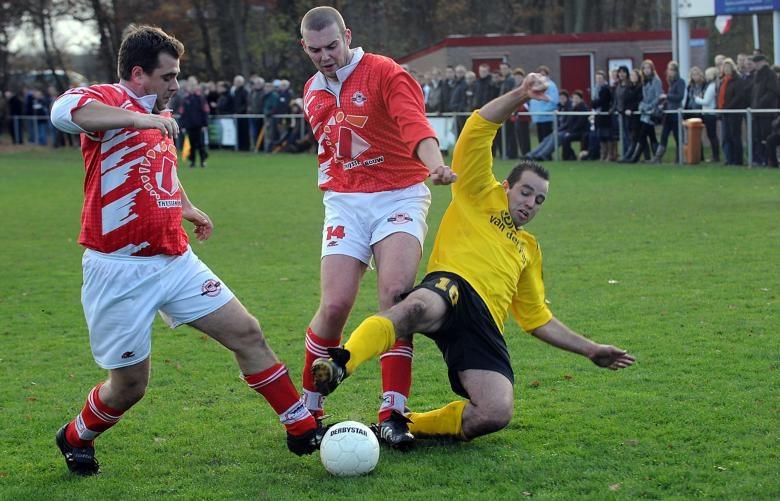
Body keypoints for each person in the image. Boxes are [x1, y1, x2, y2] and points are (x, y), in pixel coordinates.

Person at [49, 24, 326, 477]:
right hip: (118, 270)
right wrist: (141, 118)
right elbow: (62, 111)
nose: (176, 86)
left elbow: (157, 175)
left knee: (247, 332)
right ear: (138, 74)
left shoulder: (160, 116)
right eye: (168, 77)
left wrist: (188, 207)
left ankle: (300, 424)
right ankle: (77, 434)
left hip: (174, 260)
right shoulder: (111, 101)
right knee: (130, 386)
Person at [310, 72, 635, 448]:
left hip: (484, 328)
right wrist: (520, 94)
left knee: (495, 412)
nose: (530, 203)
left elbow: (537, 319)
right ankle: (340, 363)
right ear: (506, 186)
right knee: (412, 306)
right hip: (452, 289)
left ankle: (405, 423)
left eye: (539, 200)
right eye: (526, 192)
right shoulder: (478, 190)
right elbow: (479, 127)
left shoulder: (529, 249)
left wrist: (591, 349)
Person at [298, 6, 456, 442]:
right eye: (316, 50)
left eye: (333, 45)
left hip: (400, 193)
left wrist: (436, 165)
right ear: (305, 48)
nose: (326, 56)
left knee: (394, 295)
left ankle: (392, 414)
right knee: (333, 307)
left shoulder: (385, 72)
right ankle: (308, 411)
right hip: (345, 202)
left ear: (347, 35)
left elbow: (415, 126)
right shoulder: (311, 90)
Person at [651, 61, 685, 163]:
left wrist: (667, 96)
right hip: (668, 113)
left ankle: (679, 158)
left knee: (678, 136)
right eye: (669, 69)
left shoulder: (680, 82)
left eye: (672, 70)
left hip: (675, 113)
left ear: (676, 71)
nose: (670, 72)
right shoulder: (671, 83)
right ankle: (657, 158)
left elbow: (679, 97)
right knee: (664, 135)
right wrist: (664, 103)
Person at [750, 54, 779, 165]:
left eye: (756, 62)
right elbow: (754, 93)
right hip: (757, 112)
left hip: (767, 112)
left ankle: (769, 159)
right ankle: (761, 158)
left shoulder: (770, 75)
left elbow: (772, 92)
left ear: (763, 62)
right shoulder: (757, 75)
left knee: (766, 136)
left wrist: (760, 104)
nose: (755, 65)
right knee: (758, 137)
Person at [178, 79, 210, 167]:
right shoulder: (185, 99)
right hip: (189, 126)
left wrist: (204, 124)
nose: (192, 87)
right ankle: (192, 161)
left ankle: (203, 161)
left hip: (199, 126)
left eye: (194, 85)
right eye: (190, 85)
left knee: (201, 145)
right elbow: (182, 114)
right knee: (190, 145)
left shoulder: (201, 99)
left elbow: (205, 112)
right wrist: (182, 126)